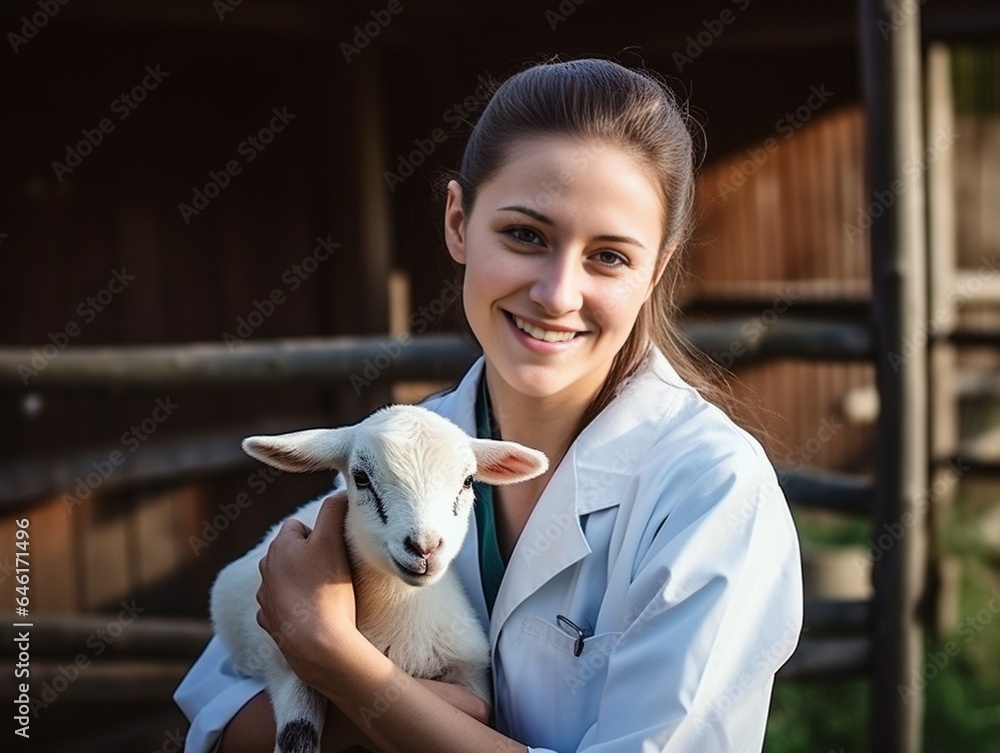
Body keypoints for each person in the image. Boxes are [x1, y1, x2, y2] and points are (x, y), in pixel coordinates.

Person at [174, 57, 803, 753]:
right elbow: (217, 718)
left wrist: (340, 665)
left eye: (610, 257)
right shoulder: (399, 453)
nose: (558, 294)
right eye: (526, 235)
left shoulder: (709, 489)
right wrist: (384, 698)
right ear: (457, 222)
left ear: (657, 268)